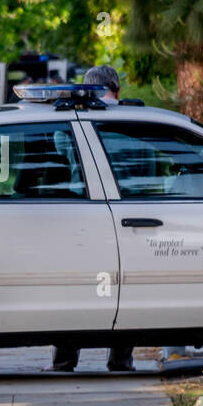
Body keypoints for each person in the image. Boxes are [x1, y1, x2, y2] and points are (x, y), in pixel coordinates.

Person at [52, 64, 135, 373]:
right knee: (126, 286)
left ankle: (64, 362)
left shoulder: (70, 121)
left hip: (81, 217)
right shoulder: (133, 120)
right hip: (130, 218)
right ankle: (121, 360)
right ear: (117, 89)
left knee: (76, 287)